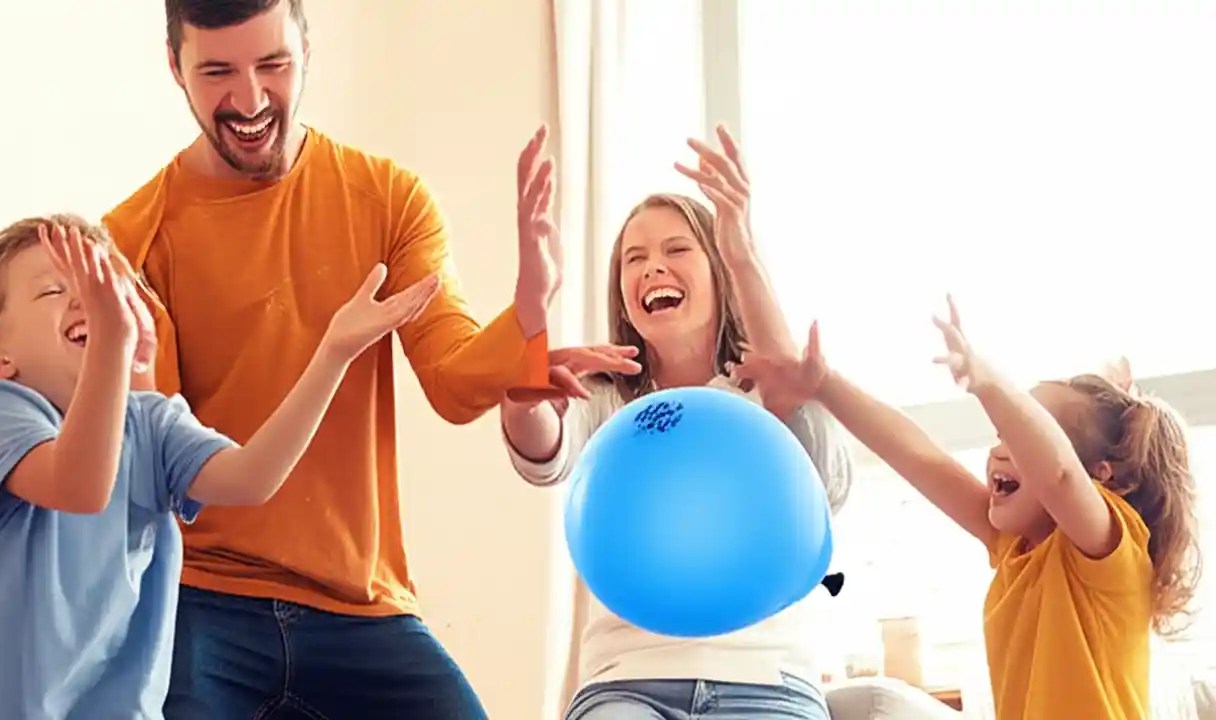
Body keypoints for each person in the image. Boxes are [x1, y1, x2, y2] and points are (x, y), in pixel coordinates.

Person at [104, 0, 633, 717]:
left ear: (308, 49)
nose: (252, 99)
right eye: (218, 71)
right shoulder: (131, 240)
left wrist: (530, 310)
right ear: (175, 67)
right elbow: (169, 475)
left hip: (362, 607)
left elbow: (452, 381)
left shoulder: (388, 199)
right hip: (204, 599)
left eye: (274, 64)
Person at [0, 217, 438, 718]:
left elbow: (252, 477)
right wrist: (113, 341)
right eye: (52, 290)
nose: (85, 299)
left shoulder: (150, 420)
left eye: (100, 285)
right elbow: (80, 486)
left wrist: (333, 353)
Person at [501, 127, 855, 720]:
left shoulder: (765, 396)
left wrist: (740, 246)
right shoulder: (606, 398)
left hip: (767, 678)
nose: (652, 267)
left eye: (676, 250)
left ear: (718, 271)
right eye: (634, 259)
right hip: (626, 682)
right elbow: (540, 446)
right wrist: (530, 318)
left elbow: (823, 476)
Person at [767, 297, 1202, 718]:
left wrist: (987, 382)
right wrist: (825, 385)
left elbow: (1060, 475)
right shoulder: (1016, 547)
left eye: (1019, 439)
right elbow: (921, 457)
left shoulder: (1113, 553)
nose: (998, 452)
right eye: (998, 434)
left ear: (1100, 475)